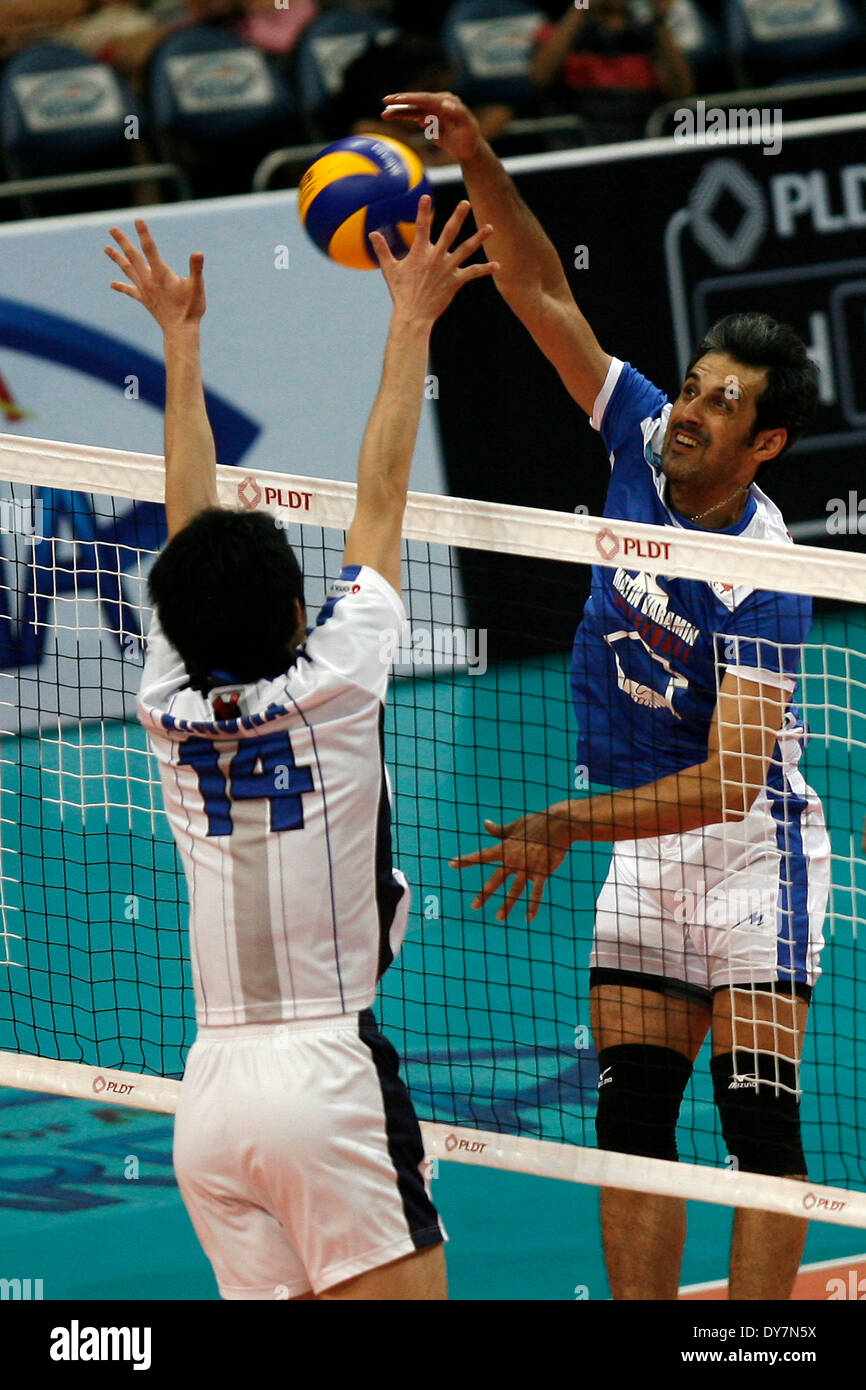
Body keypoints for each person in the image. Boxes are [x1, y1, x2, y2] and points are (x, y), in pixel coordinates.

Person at [381, 91, 828, 1301]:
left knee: (755, 1124)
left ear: (766, 444)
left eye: (722, 403)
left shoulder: (760, 571)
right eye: (690, 385)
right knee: (630, 1118)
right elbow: (540, 296)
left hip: (747, 851)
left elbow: (733, 779)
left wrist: (570, 821)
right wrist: (477, 160)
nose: (688, 409)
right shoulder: (636, 441)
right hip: (642, 837)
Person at [105, 202, 498, 1300]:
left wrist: (177, 350)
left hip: (211, 1091)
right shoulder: (338, 681)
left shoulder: (162, 702)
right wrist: (410, 319)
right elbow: (381, 494)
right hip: (325, 1076)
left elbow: (190, 532)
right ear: (294, 607)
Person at [530, 0, 693, 144]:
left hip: (641, 141)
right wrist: (582, 6)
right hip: (579, 145)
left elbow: (682, 90)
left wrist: (658, 19)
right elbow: (540, 77)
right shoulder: (560, 26)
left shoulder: (647, 31)